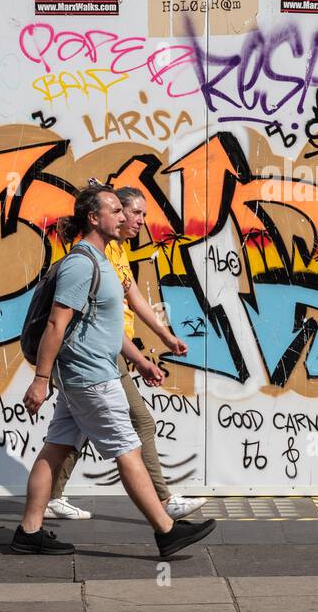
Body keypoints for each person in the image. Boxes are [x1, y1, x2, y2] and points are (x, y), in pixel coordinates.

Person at [12, 183, 215, 557]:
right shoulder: (80, 263)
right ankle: (166, 530)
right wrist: (40, 380)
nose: (124, 216)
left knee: (55, 450)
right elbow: (57, 325)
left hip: (91, 373)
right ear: (94, 218)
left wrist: (139, 360)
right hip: (90, 377)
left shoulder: (104, 261)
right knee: (128, 450)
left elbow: (107, 325)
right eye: (115, 210)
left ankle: (29, 530)